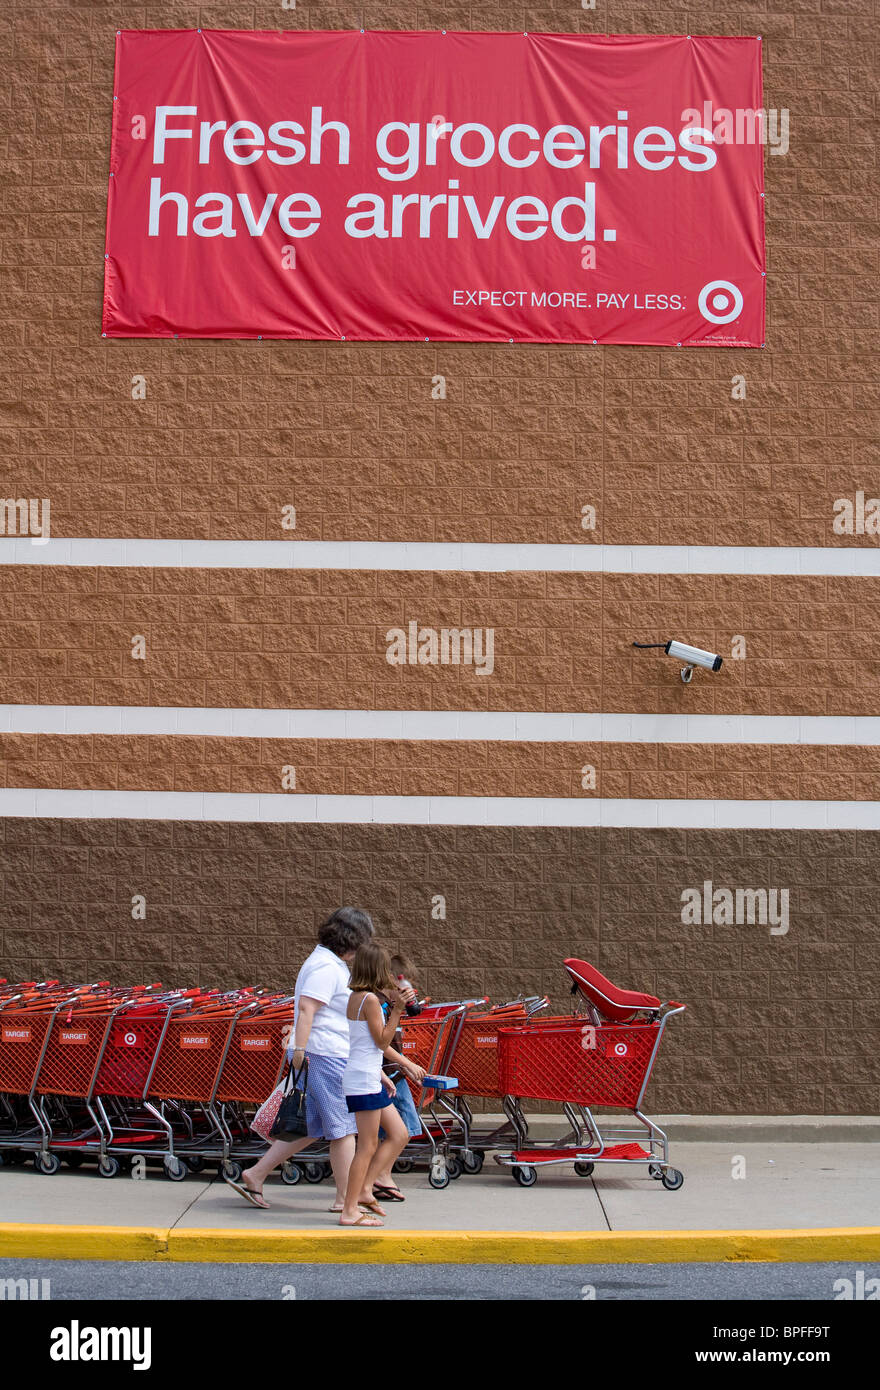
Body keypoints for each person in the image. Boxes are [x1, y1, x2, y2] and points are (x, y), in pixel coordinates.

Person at [224, 906, 374, 1212]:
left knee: (312, 1125)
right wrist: (300, 1050)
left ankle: (255, 1174)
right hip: (325, 1054)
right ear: (352, 939)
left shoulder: (326, 963)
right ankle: (346, 1202)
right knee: (344, 1130)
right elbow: (307, 1009)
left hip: (321, 1053)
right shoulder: (326, 968)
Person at [338, 943, 412, 1228]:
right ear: (377, 969)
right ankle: (350, 1210)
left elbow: (363, 1044)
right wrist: (397, 1011)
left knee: (399, 1132)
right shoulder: (368, 999)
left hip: (368, 1076)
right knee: (366, 1146)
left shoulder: (357, 997)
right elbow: (381, 1042)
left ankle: (366, 1189)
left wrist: (382, 1076)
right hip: (362, 1080)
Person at [372, 952, 426, 1203]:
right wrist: (408, 1064)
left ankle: (382, 1174)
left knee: (402, 1129)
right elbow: (381, 1042)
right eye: (403, 986)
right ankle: (378, 1177)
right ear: (392, 980)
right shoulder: (378, 1004)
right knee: (399, 1130)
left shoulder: (388, 1004)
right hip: (385, 1073)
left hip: (392, 1073)